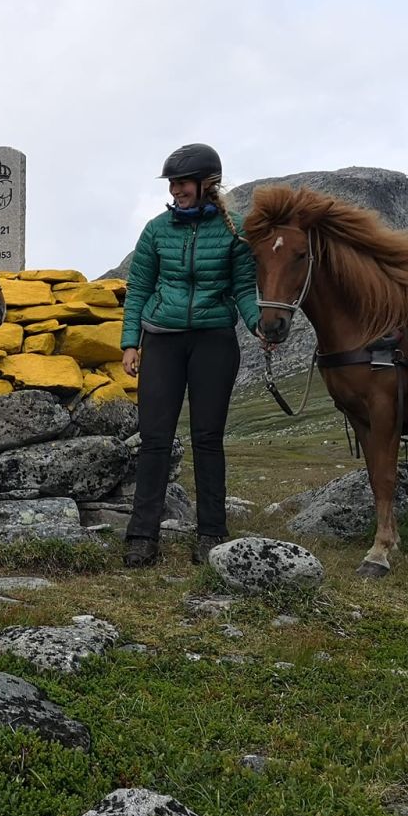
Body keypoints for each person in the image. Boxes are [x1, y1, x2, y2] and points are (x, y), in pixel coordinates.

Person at [119, 143, 261, 566]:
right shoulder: (156, 230)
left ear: (207, 184)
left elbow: (244, 289)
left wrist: (258, 325)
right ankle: (142, 535)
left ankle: (211, 532)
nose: (176, 190)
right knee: (154, 439)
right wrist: (131, 342)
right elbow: (139, 289)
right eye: (173, 184)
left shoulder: (235, 230)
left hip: (214, 339)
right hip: (161, 339)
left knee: (208, 439)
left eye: (182, 183)